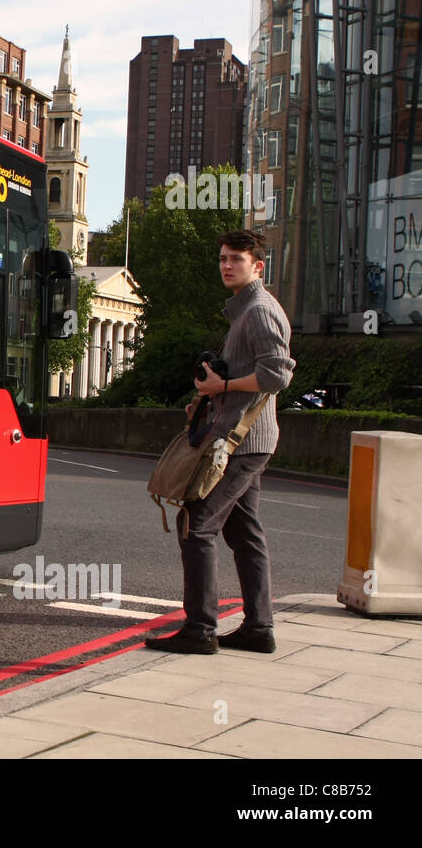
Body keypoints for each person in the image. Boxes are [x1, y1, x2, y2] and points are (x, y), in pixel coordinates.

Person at [145, 229, 296, 655]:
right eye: (223, 258)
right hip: (243, 436)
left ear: (257, 266)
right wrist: (212, 395)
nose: (227, 265)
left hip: (242, 443)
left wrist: (224, 384)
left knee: (196, 522)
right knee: (244, 531)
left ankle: (200, 629)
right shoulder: (244, 311)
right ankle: (259, 627)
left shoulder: (260, 311)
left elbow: (277, 375)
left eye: (237, 259)